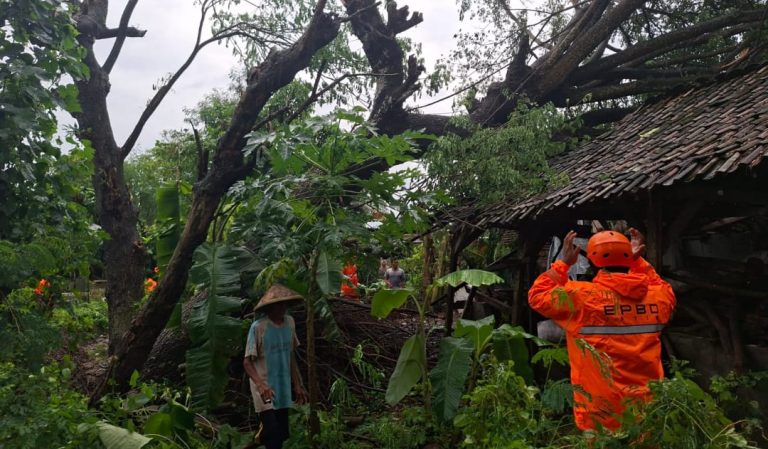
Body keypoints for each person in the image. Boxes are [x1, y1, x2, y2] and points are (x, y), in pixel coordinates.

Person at [528, 228, 676, 431]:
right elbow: (662, 286)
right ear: (629, 257)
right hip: (646, 407)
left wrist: (563, 264)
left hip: (599, 411)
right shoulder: (657, 297)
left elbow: (537, 296)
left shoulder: (580, 296)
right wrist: (636, 261)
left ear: (592, 261)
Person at [244, 284, 309, 449]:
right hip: (264, 387)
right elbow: (247, 362)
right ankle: (263, 437)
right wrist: (260, 384)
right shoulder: (258, 328)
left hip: (282, 385)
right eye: (278, 305)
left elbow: (290, 356)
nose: (282, 308)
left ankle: (258, 439)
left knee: (282, 431)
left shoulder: (290, 323)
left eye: (284, 304)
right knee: (272, 428)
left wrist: (297, 384)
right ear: (270, 308)